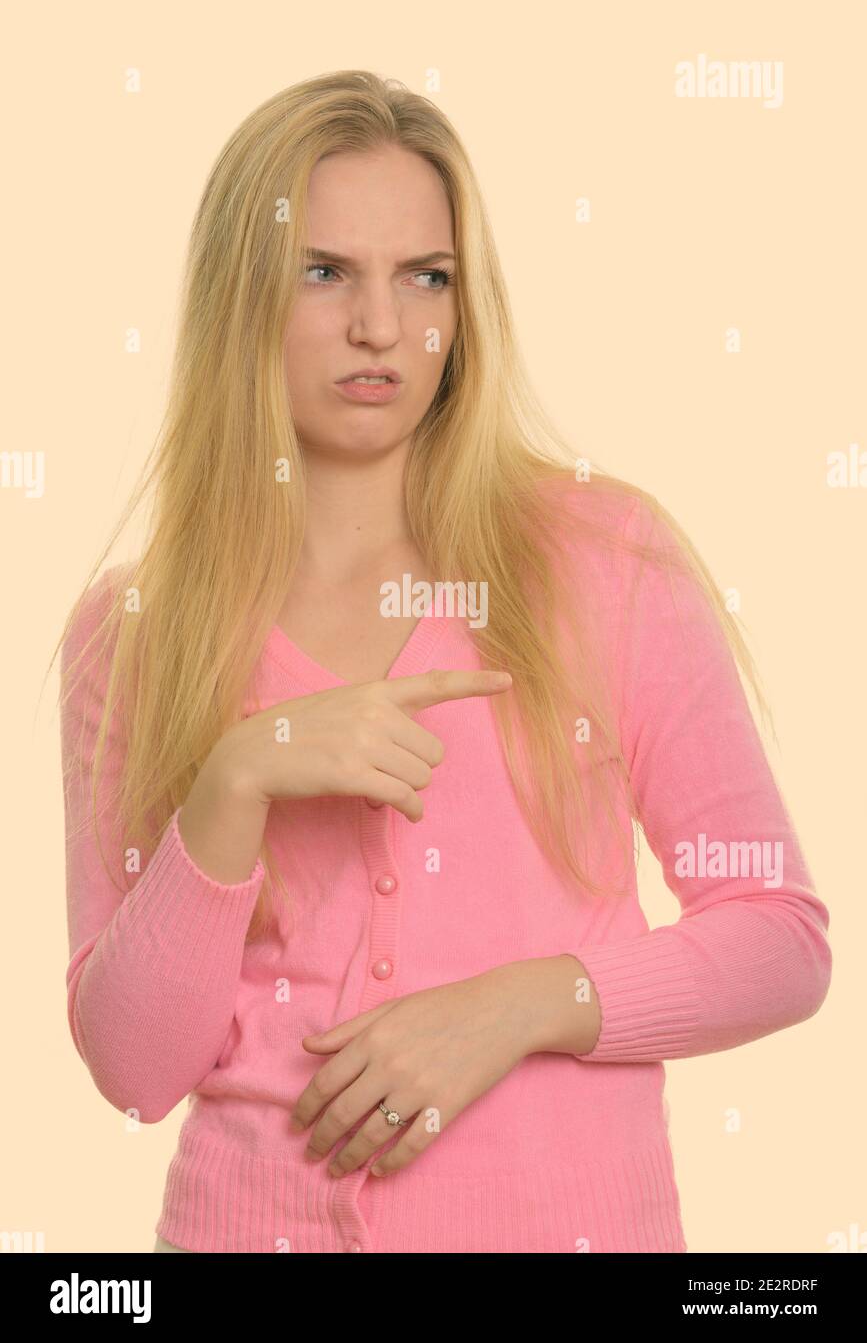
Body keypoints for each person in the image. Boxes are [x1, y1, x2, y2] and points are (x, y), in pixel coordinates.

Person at [56, 70, 831, 1254]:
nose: (383, 327)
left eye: (427, 276)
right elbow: (133, 1069)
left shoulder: (603, 557)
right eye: (325, 272)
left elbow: (780, 936)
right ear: (239, 294)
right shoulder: (134, 628)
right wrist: (235, 780)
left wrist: (518, 1007)